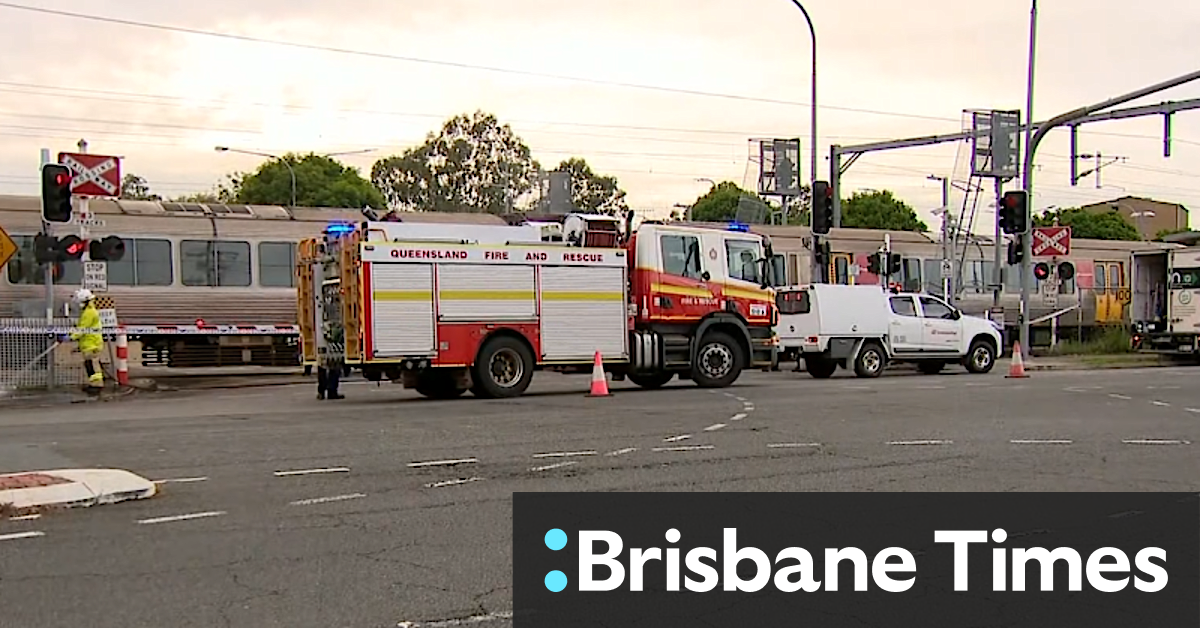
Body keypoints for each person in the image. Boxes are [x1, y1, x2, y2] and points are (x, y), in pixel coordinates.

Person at [70, 288, 104, 395]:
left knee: (93, 365)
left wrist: (70, 337)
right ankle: (93, 384)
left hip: (92, 344)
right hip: (89, 343)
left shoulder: (89, 313)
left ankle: (97, 386)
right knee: (90, 365)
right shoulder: (88, 312)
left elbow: (82, 329)